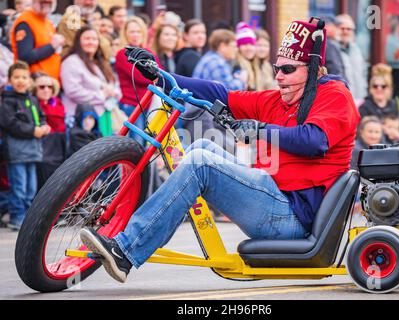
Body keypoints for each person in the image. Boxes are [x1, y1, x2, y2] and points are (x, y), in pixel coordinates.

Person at [79, 18, 360, 283]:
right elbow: (219, 93)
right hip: (274, 200)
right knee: (202, 147)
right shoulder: (276, 100)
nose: (279, 76)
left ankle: (126, 252)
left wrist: (260, 130)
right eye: (276, 68)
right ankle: (147, 233)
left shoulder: (334, 95)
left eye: (288, 69)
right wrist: (161, 75)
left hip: (292, 218)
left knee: (201, 163)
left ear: (312, 70)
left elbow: (314, 140)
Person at [0, 61, 50, 230]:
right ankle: (17, 216)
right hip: (17, 152)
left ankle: (28, 216)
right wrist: (32, 130)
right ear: (9, 80)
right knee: (19, 186)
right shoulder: (7, 101)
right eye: (16, 77)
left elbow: (41, 117)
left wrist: (43, 126)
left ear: (30, 80)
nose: (20, 81)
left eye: (24, 77)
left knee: (30, 187)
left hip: (33, 150)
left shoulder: (32, 99)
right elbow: (10, 123)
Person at [60, 26, 120, 137]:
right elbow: (73, 91)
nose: (91, 42)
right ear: (78, 41)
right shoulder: (71, 62)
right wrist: (101, 95)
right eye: (87, 38)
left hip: (104, 116)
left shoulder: (98, 63)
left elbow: (115, 85)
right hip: (82, 120)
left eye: (94, 39)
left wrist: (113, 92)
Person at [116, 16, 162, 145]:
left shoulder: (148, 52)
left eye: (138, 31)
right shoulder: (122, 54)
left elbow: (161, 74)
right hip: (132, 105)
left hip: (150, 105)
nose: (135, 35)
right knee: (135, 145)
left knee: (149, 145)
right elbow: (140, 77)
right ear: (125, 33)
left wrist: (155, 75)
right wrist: (153, 75)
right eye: (132, 31)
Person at [10, 0, 64, 81]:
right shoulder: (25, 21)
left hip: (50, 85)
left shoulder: (47, 22)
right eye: (42, 2)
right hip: (34, 85)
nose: (46, 4)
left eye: (49, 2)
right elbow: (24, 57)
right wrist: (52, 47)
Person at [32, 72, 66, 188]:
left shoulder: (58, 103)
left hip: (59, 146)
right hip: (44, 148)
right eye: (42, 87)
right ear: (34, 89)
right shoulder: (33, 105)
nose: (46, 90)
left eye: (49, 86)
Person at [336, 14, 368, 101]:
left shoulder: (357, 50)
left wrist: (364, 95)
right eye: (342, 28)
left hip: (358, 99)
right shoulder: (331, 50)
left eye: (349, 29)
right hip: (340, 100)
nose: (345, 31)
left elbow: (363, 74)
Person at [234, 22, 260, 91]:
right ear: (238, 48)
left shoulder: (256, 65)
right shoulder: (237, 66)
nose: (249, 48)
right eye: (245, 44)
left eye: (251, 44)